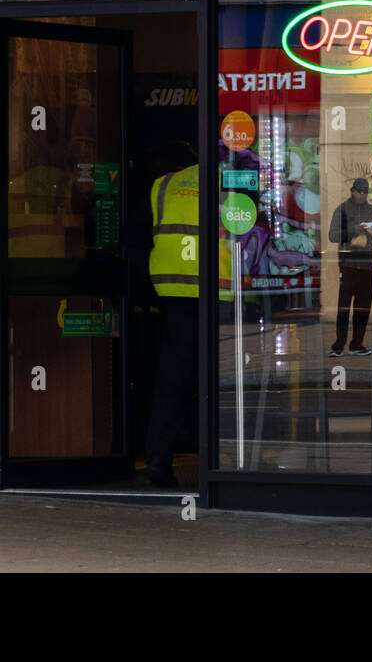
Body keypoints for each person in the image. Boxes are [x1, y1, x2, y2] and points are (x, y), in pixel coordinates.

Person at [144, 142, 230, 487]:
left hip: (173, 293)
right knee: (223, 380)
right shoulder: (230, 182)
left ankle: (158, 458)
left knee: (173, 381)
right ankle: (223, 459)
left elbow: (144, 237)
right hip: (220, 292)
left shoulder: (163, 185)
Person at [327, 179, 372, 356]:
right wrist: (353, 230)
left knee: (363, 308)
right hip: (348, 265)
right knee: (344, 308)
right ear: (352, 191)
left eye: (365, 192)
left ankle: (357, 344)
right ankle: (339, 345)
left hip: (368, 265)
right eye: (359, 191)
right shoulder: (342, 209)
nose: (362, 194)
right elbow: (332, 235)